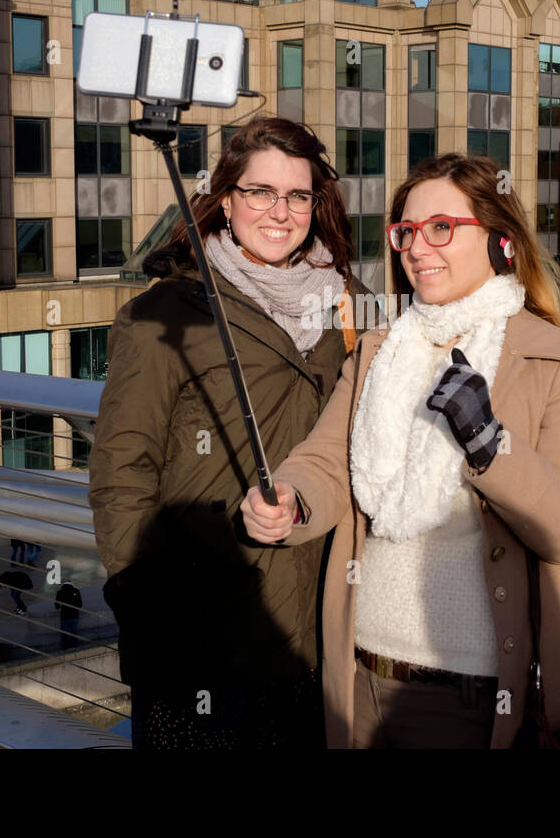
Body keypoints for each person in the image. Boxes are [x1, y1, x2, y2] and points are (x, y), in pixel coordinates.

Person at [241, 153, 560, 748]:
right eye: (406, 232)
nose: (417, 248)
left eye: (442, 227)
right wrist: (289, 500)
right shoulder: (377, 349)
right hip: (360, 675)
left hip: (476, 696)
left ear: (501, 241)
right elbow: (324, 463)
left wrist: (489, 443)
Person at [89, 116, 372, 749]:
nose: (281, 211)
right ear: (225, 199)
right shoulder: (165, 316)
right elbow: (120, 473)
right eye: (259, 192)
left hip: (317, 633)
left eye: (298, 195)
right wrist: (148, 609)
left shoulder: (349, 306)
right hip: (201, 641)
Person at [55, 580, 83, 650]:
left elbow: (56, 606)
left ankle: (65, 647)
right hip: (74, 615)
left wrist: (59, 607)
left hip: (65, 616)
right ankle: (75, 646)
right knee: (74, 632)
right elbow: (80, 604)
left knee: (64, 633)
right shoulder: (76, 591)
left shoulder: (60, 592)